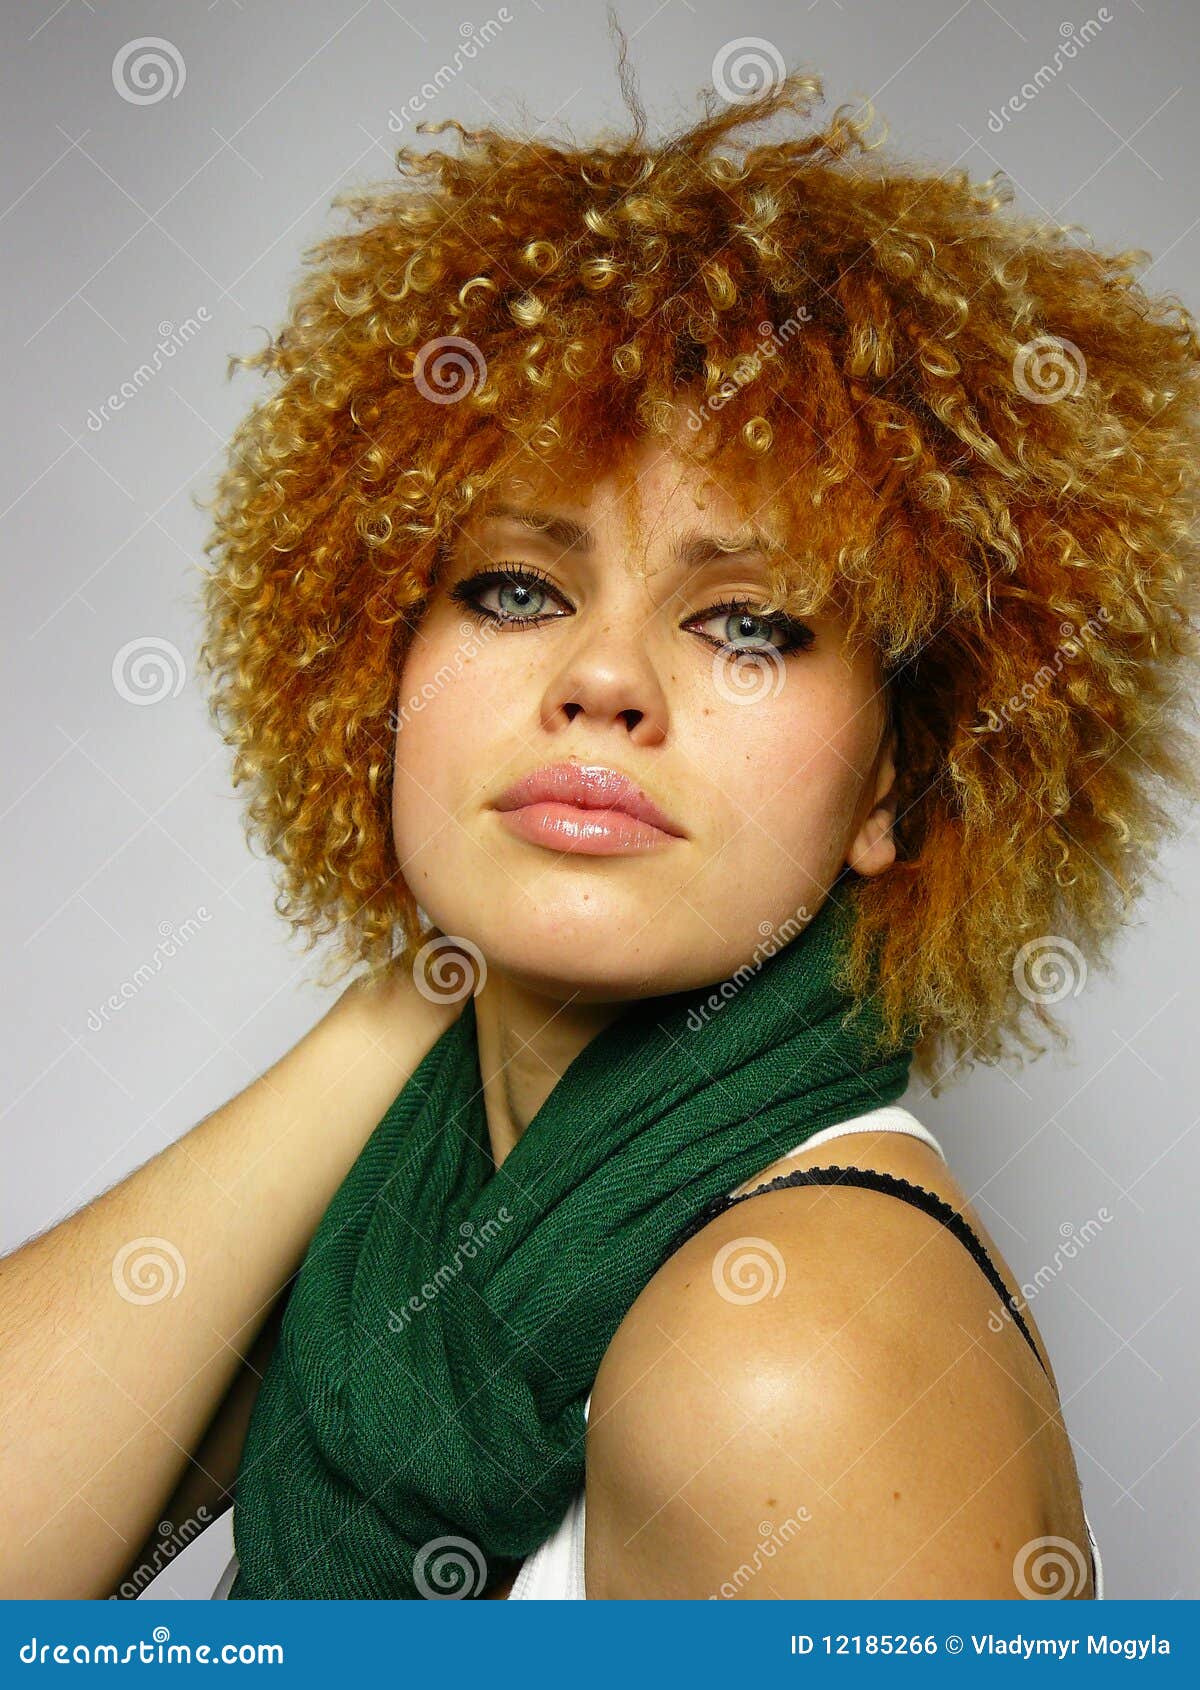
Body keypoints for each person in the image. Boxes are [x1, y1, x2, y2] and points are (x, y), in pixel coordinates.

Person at [5, 46, 1198, 1600]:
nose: (605, 678)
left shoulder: (789, 1351)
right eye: (515, 588)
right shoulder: (420, 1217)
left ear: (899, 785)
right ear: (372, 668)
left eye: (749, 620)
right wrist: (421, 988)